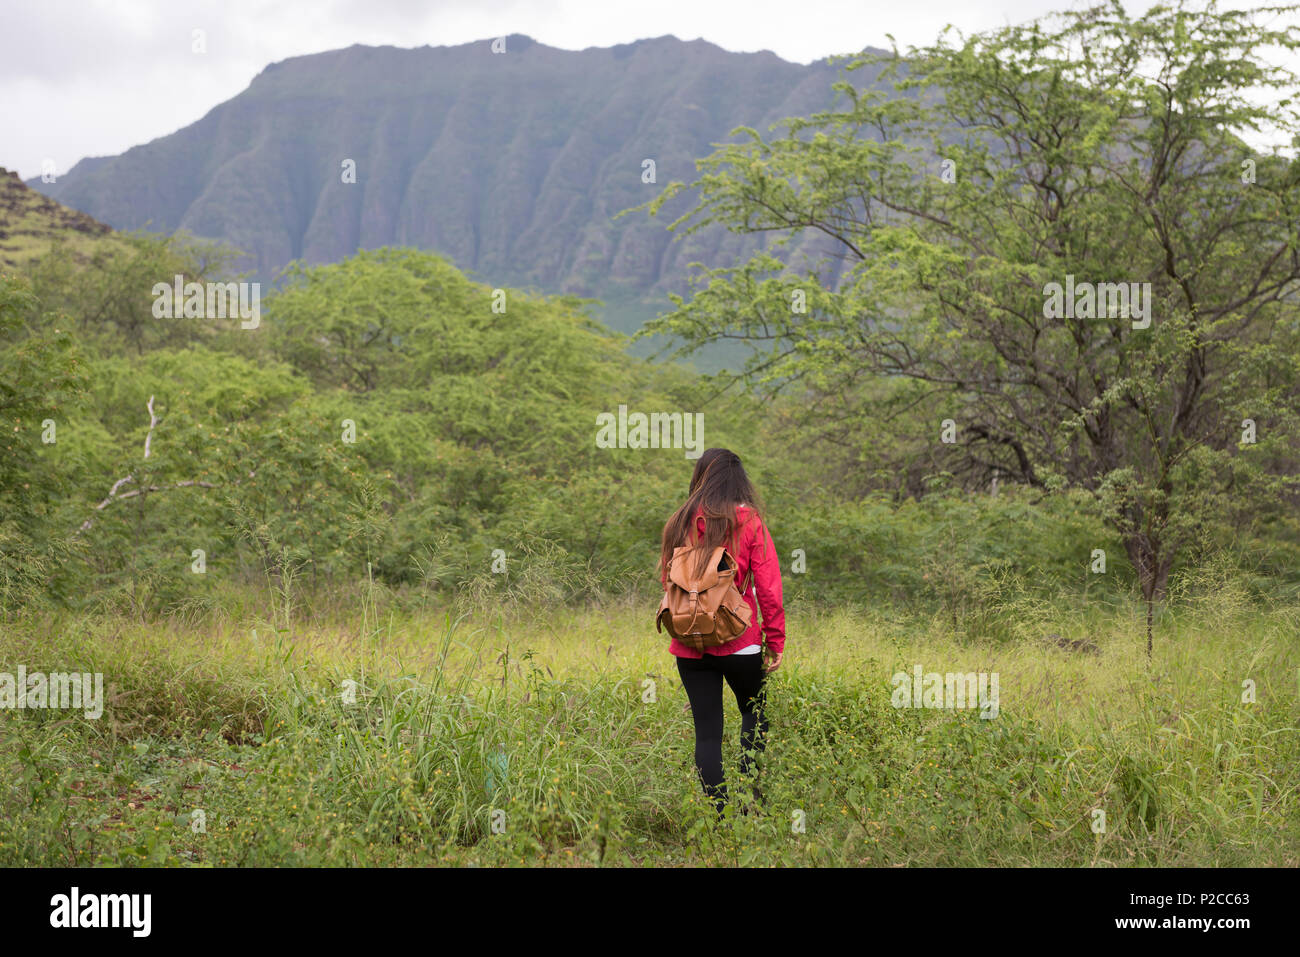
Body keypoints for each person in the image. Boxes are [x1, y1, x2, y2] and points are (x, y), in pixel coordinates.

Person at [659, 447, 785, 816]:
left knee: (708, 734)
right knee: (754, 715)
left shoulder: (678, 522)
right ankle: (749, 803)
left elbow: (668, 582)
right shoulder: (749, 522)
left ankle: (720, 818)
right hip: (740, 640)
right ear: (738, 481)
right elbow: (769, 588)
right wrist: (775, 641)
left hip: (688, 643)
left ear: (701, 478)